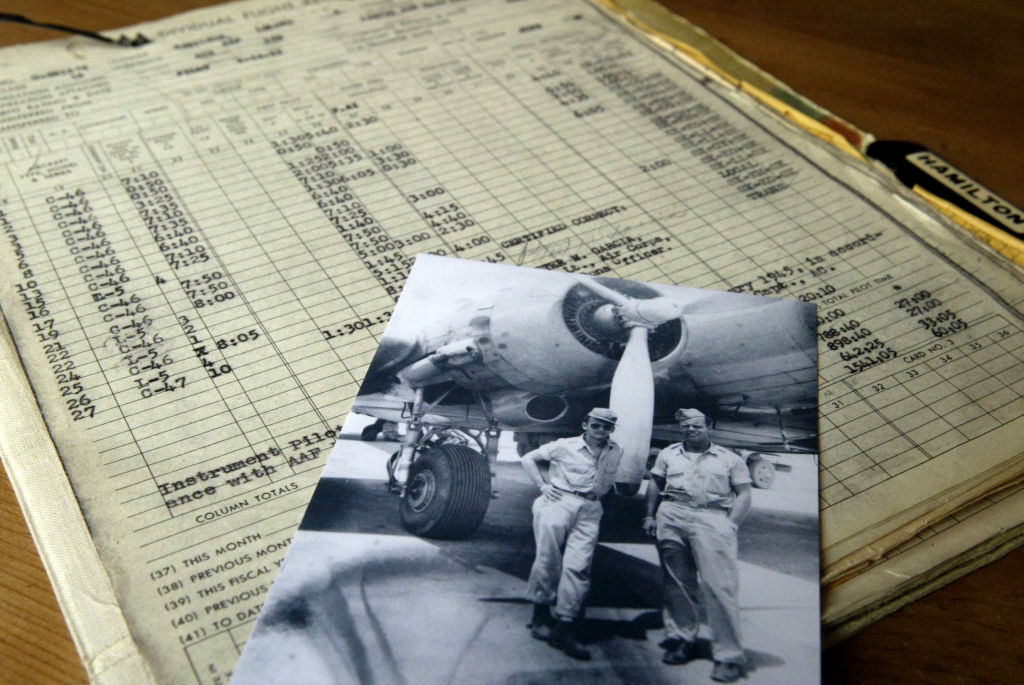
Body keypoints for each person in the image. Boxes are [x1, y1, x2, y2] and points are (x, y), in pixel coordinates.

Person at [642, 408, 751, 683]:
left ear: (709, 426)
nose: (690, 430)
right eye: (686, 426)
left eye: (696, 426)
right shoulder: (669, 453)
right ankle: (682, 638)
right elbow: (656, 483)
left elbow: (743, 494)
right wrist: (650, 515)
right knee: (677, 583)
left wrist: (731, 524)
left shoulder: (730, 459)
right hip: (672, 514)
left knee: (719, 587)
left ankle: (728, 656)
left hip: (711, 518)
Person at [520, 407, 623, 661]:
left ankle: (565, 626)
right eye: (596, 425)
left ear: (612, 429)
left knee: (579, 566)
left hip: (590, 508)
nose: (600, 431)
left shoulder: (616, 451)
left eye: (606, 427)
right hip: (559, 502)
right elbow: (528, 459)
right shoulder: (565, 446)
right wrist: (542, 485)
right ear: (585, 424)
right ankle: (540, 614)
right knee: (548, 560)